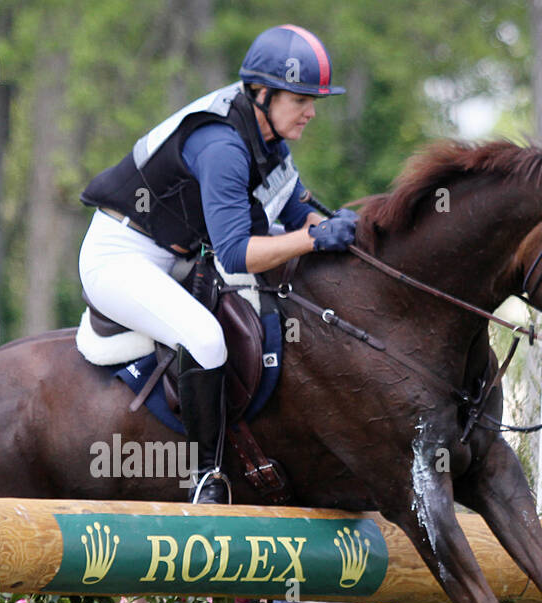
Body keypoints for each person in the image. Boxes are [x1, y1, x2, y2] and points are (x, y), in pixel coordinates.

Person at [78, 24, 358, 504]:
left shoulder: (266, 137)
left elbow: (294, 208)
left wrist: (339, 228)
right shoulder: (223, 146)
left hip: (173, 256)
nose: (312, 112)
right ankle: (206, 477)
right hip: (119, 257)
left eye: (314, 101)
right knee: (205, 339)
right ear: (263, 93)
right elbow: (237, 253)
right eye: (301, 100)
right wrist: (312, 240)